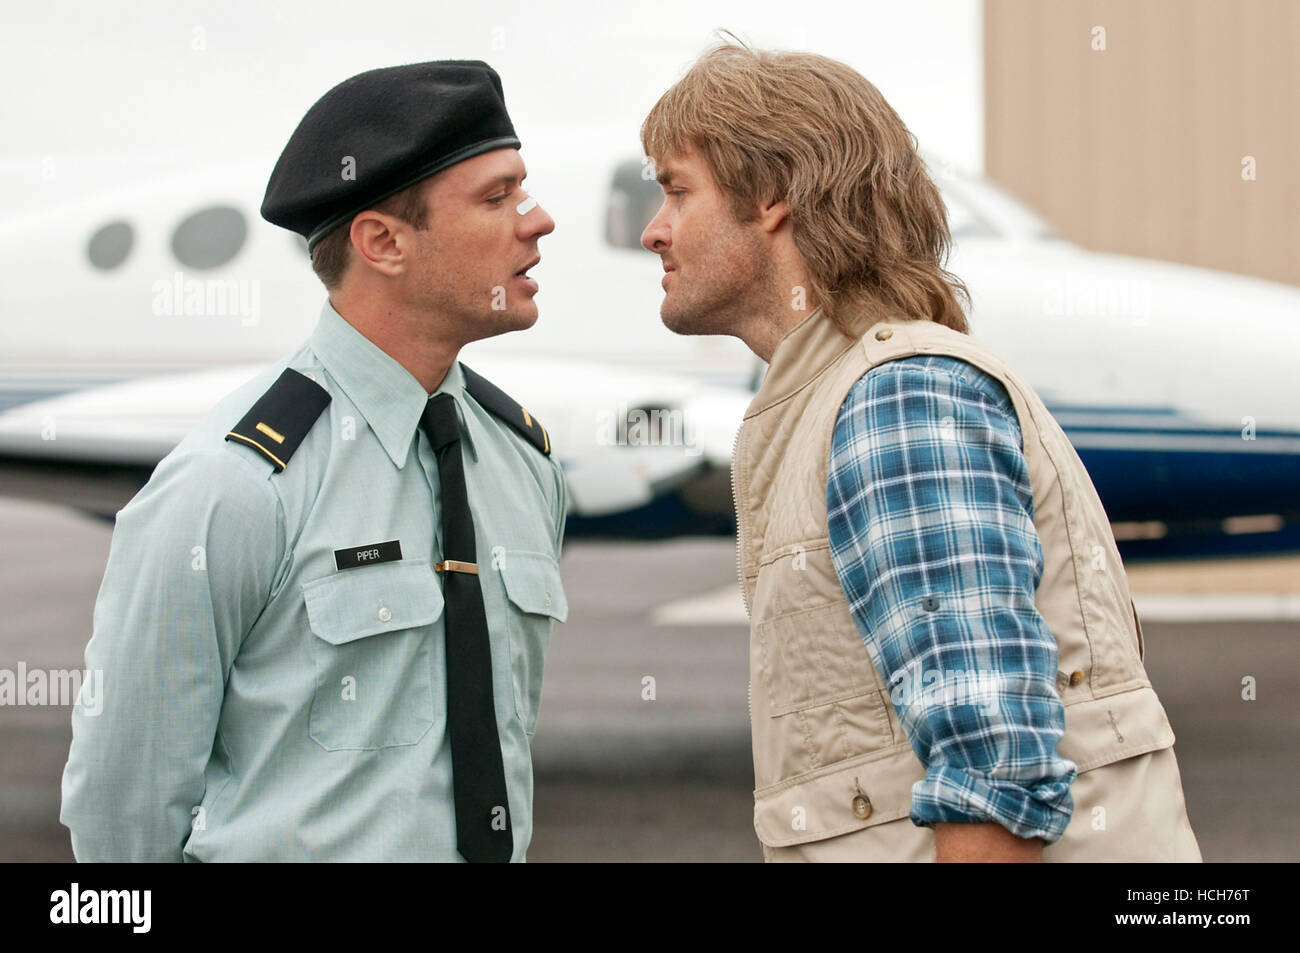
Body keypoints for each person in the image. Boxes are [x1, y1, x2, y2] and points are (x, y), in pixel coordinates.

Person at [639, 39, 1201, 862]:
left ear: (771, 197)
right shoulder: (840, 397)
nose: (656, 232)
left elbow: (990, 771)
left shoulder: (896, 396)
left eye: (677, 192)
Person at [59, 60, 567, 862]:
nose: (537, 222)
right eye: (497, 197)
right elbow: (123, 803)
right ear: (383, 242)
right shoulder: (235, 485)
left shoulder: (521, 460)